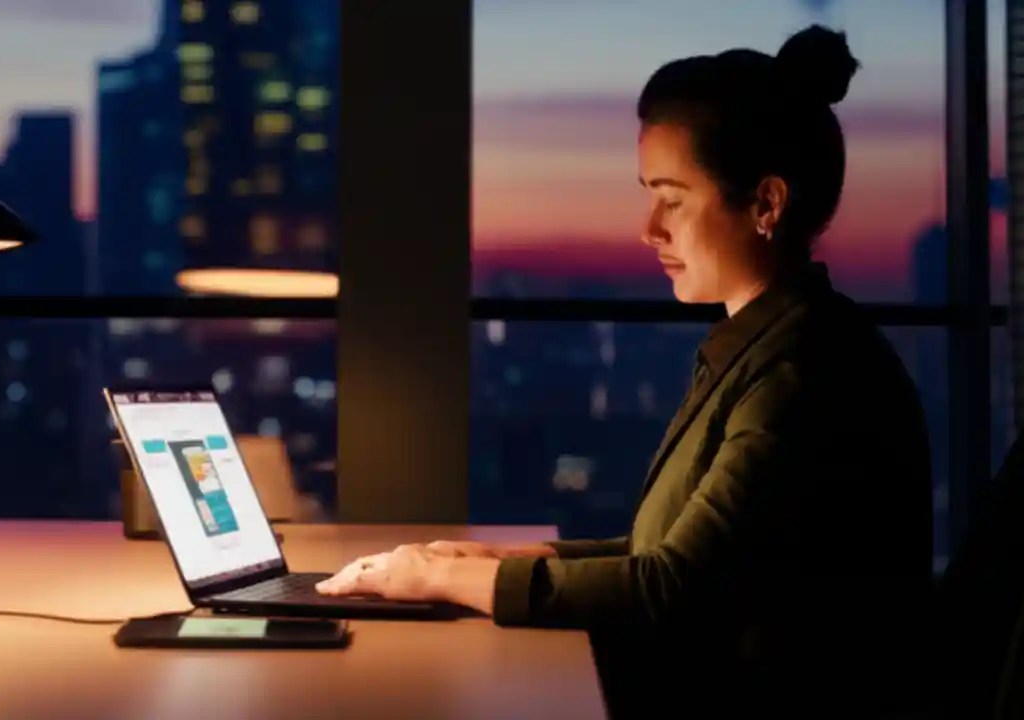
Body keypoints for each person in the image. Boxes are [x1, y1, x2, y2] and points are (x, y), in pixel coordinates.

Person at [317, 24, 934, 717]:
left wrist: (435, 577)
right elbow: (666, 551)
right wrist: (483, 563)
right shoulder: (771, 347)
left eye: (672, 198)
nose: (649, 228)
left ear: (766, 204)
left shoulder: (804, 376)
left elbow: (670, 587)